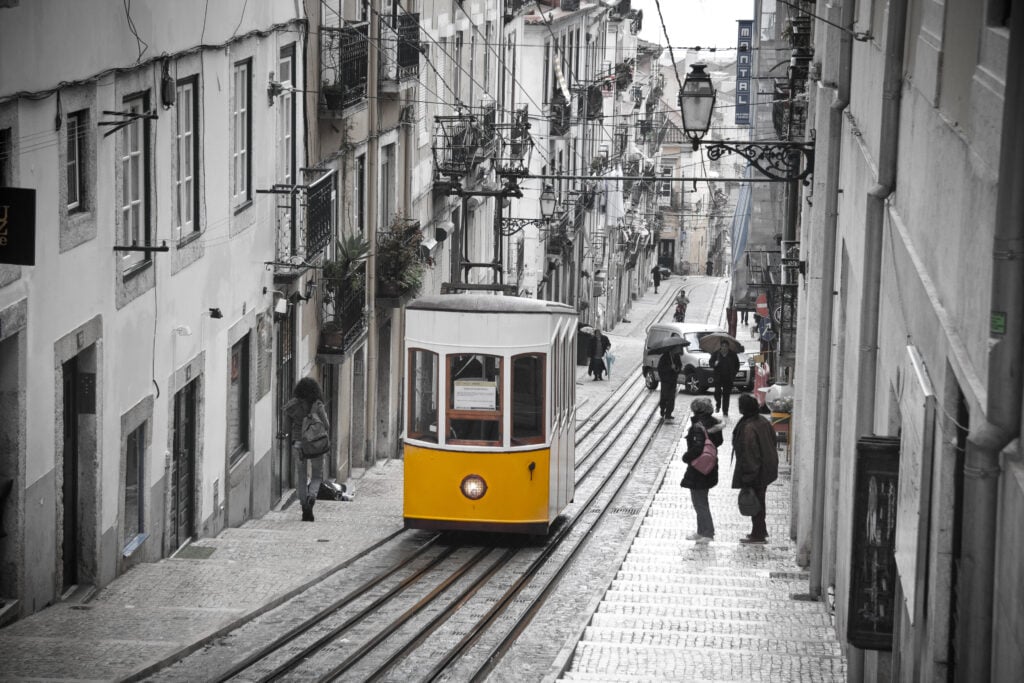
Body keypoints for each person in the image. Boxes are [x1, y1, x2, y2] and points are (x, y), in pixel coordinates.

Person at [732, 393, 779, 544]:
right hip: (766, 468)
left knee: (755, 502)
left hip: (757, 471)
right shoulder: (762, 422)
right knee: (759, 501)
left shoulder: (749, 427)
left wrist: (748, 477)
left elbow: (750, 453)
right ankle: (759, 531)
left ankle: (758, 534)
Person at [285, 376, 330, 522]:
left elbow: (287, 428)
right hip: (315, 444)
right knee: (317, 475)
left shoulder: (292, 406)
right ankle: (312, 497)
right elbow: (327, 425)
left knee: (301, 476)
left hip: (298, 444)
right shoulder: (318, 405)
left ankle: (304, 506)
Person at [680, 398, 724, 542]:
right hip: (709, 466)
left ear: (697, 409)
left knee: (700, 502)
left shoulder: (698, 426)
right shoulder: (714, 423)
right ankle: (701, 531)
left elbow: (697, 448)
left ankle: (707, 533)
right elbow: (718, 442)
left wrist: (686, 457)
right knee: (701, 500)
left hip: (698, 469)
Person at [709, 339, 741, 416]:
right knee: (717, 392)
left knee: (726, 395)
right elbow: (710, 363)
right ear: (720, 346)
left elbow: (737, 365)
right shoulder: (716, 354)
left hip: (728, 377)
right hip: (718, 377)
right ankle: (718, 405)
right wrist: (714, 364)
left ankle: (725, 410)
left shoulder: (733, 354)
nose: (724, 348)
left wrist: (734, 373)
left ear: (728, 347)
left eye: (725, 346)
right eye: (722, 346)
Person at [656, 347, 682, 419]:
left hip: (673, 380)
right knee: (664, 396)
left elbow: (679, 366)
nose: (677, 350)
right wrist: (670, 368)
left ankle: (668, 413)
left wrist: (676, 368)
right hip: (665, 381)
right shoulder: (664, 357)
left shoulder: (677, 357)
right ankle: (662, 408)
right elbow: (660, 368)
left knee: (671, 397)